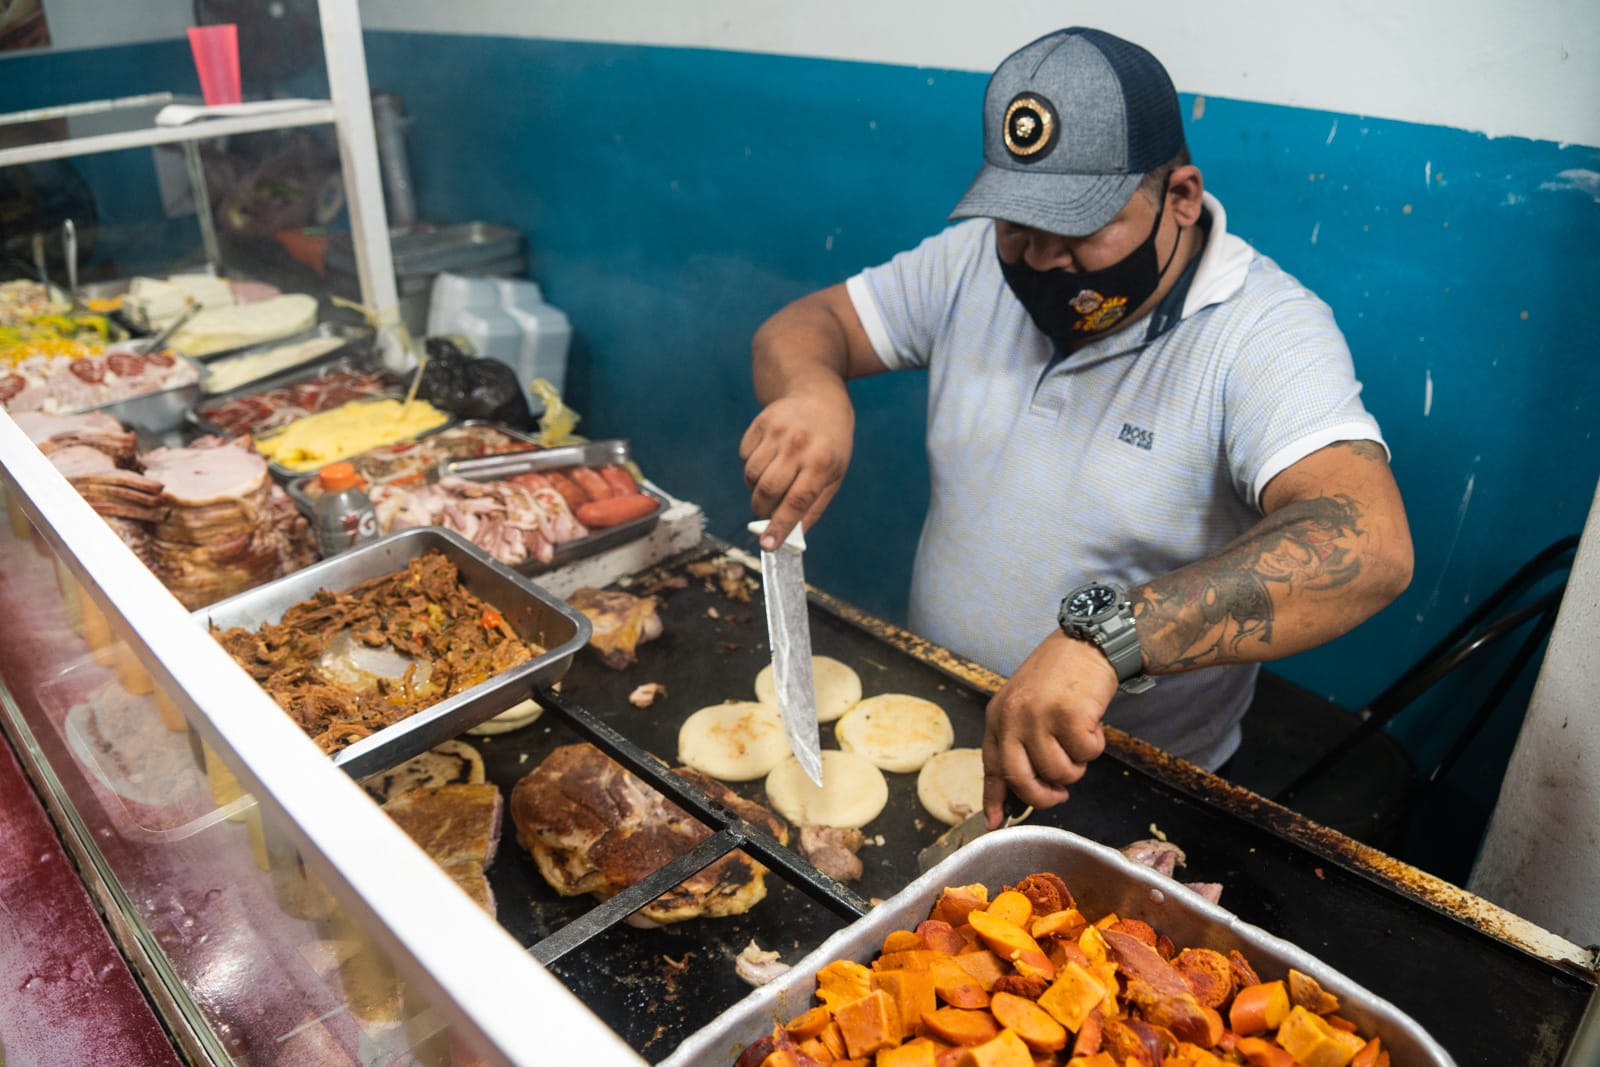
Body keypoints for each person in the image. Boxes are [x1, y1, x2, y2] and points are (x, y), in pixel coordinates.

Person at [739, 27, 1413, 826]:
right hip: (930, 727)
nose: (1041, 258)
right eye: (1018, 224)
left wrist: (1109, 639)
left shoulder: (1263, 332)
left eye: (1079, 226)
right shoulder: (971, 264)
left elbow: (1369, 543)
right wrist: (812, 391)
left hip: (1122, 784)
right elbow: (803, 326)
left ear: (1180, 198)